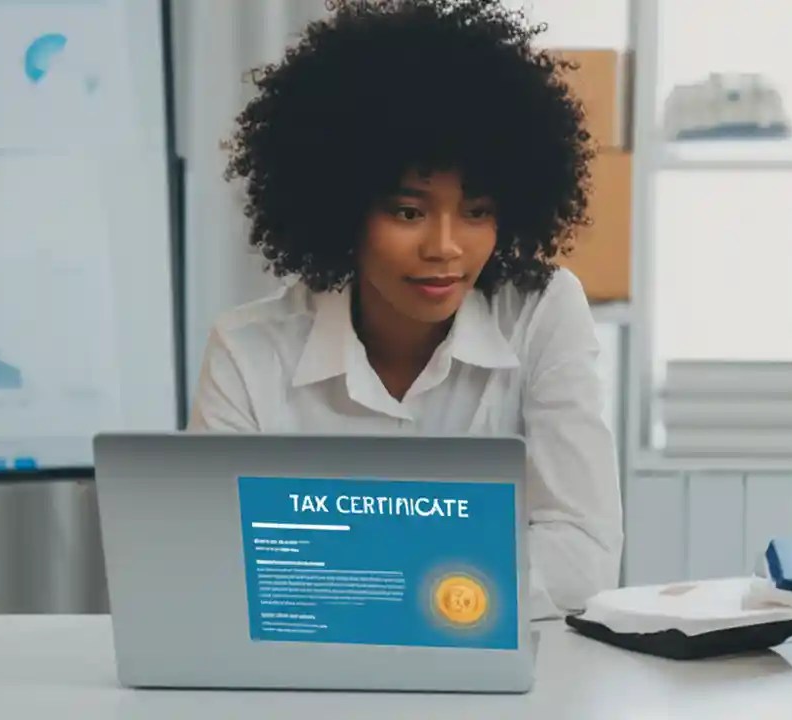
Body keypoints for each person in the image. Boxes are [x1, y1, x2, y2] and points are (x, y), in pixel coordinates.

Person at [188, 0, 623, 619]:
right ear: (342, 209)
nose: (445, 246)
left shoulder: (542, 313)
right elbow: (214, 566)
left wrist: (349, 579)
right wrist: (455, 576)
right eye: (408, 212)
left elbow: (584, 557)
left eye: (476, 212)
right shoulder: (247, 351)